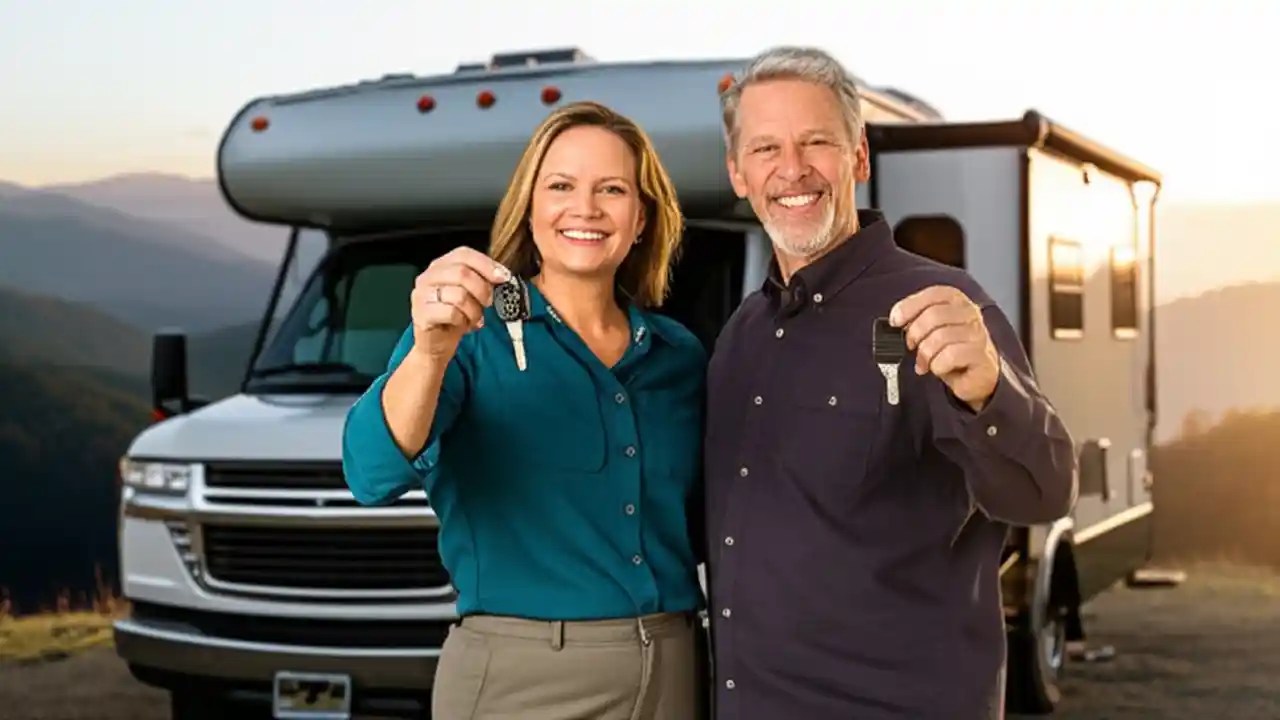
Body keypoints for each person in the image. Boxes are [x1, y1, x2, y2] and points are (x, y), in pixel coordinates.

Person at [701, 47, 1078, 720]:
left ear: (859, 158)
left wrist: (991, 391)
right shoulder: (741, 336)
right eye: (765, 149)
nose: (792, 169)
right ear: (737, 173)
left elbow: (1043, 490)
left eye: (817, 142)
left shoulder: (946, 305)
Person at [341, 100, 710, 720]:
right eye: (561, 185)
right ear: (530, 208)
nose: (586, 208)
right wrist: (429, 350)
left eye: (612, 189)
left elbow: (708, 522)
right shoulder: (464, 336)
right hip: (524, 682)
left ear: (641, 218)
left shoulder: (679, 356)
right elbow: (371, 472)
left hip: (676, 669)